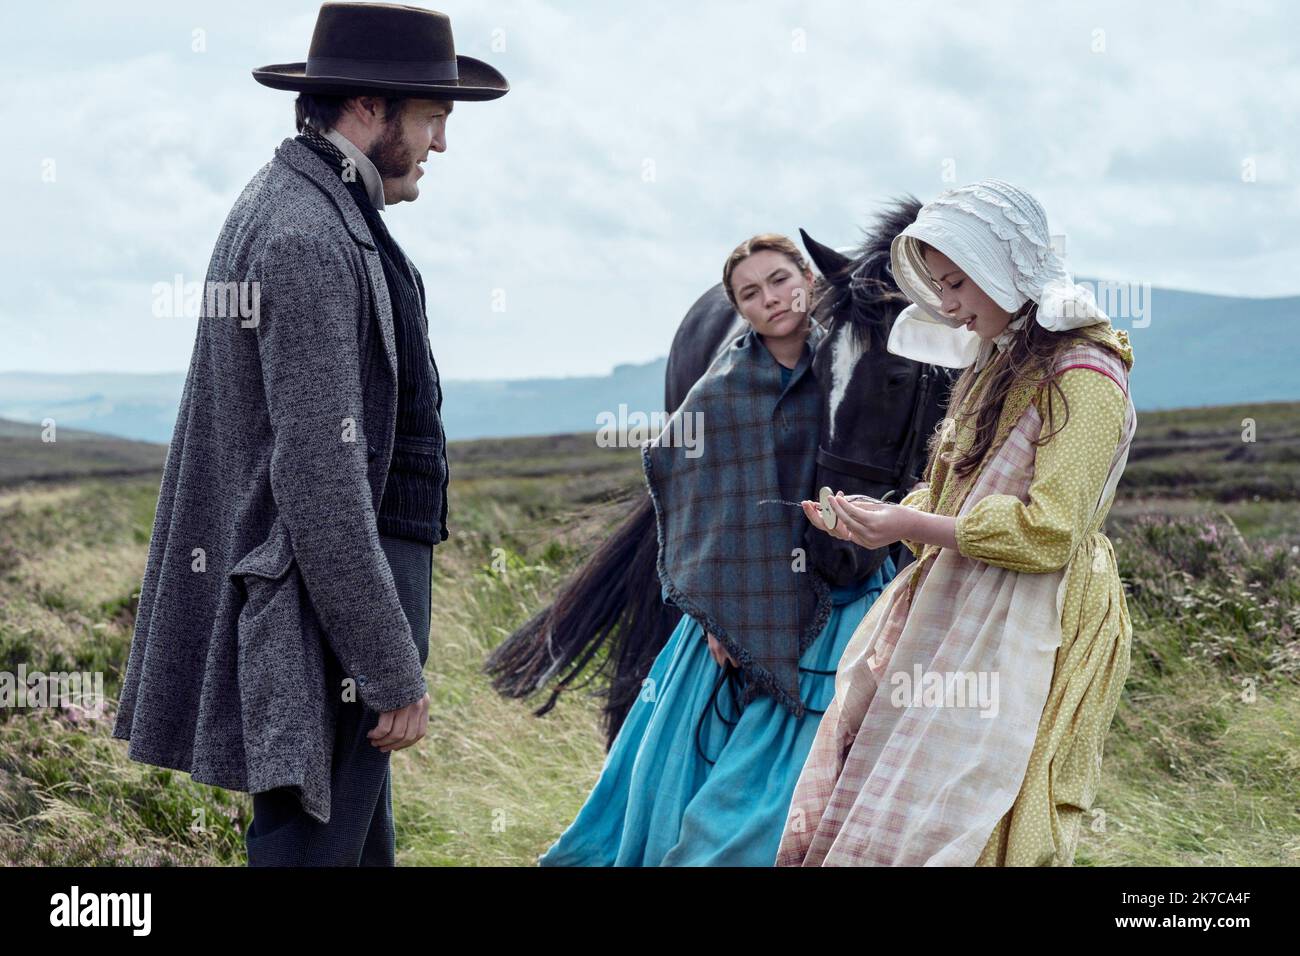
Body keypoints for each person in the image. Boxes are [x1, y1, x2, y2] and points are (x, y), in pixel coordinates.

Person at [111, 3, 508, 866]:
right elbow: (319, 476)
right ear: (370, 107)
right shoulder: (304, 233)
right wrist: (386, 661)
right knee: (310, 853)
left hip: (329, 598)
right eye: (433, 118)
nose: (441, 143)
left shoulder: (316, 208)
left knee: (354, 852)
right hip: (319, 610)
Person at [775, 179, 1136, 866]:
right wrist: (881, 519)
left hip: (1034, 618)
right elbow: (957, 500)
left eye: (958, 283)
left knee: (974, 810)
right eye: (938, 286)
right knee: (902, 802)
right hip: (959, 605)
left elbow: (1049, 531)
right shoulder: (998, 366)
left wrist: (913, 525)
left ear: (1005, 268)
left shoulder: (1085, 374)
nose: (946, 306)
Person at [539, 234, 896, 867]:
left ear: (809, 281)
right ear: (739, 308)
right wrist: (715, 609)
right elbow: (705, 497)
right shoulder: (726, 388)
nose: (772, 300)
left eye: (782, 281)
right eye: (750, 294)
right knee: (716, 777)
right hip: (747, 591)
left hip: (841, 588)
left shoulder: (841, 361)